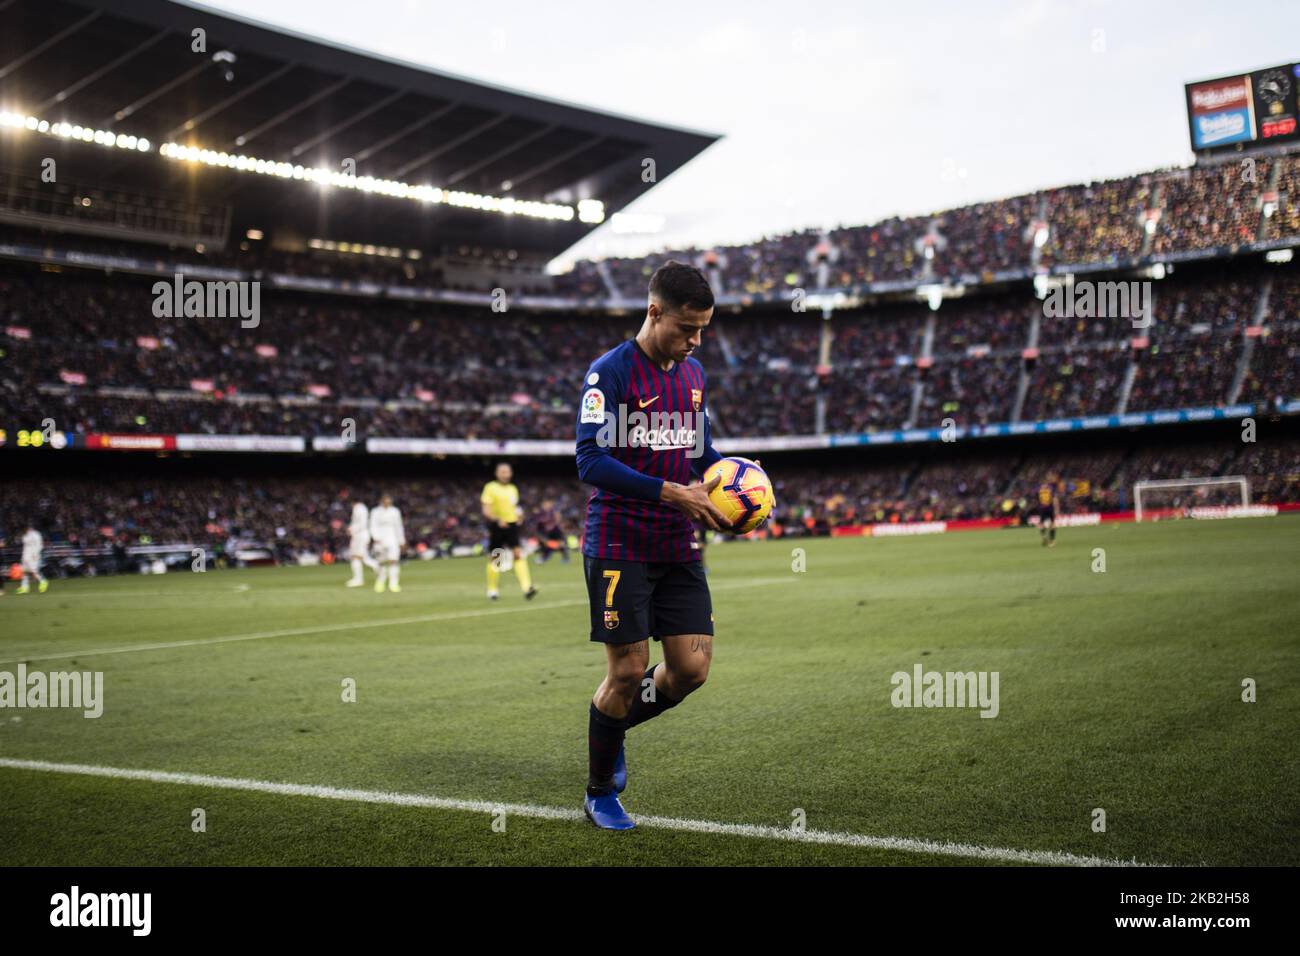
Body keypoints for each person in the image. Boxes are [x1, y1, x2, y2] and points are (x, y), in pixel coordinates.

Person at [574, 260, 731, 830]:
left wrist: (737, 480)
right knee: (628, 671)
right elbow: (590, 460)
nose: (695, 341)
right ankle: (599, 790)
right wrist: (670, 492)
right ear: (654, 311)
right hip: (619, 543)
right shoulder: (609, 375)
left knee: (691, 669)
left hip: (678, 544)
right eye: (687, 328)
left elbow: (699, 451)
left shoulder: (694, 376)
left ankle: (609, 723)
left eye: (703, 330)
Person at [480, 463, 537, 600]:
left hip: (512, 525)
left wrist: (519, 515)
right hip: (497, 525)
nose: (505, 474)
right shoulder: (490, 487)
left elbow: (515, 507)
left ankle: (527, 588)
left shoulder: (513, 489)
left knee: (517, 554)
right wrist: (497, 519)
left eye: (507, 472)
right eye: (502, 472)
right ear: (497, 473)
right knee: (497, 557)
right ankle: (492, 590)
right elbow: (486, 510)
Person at [369, 494, 405, 593]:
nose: (387, 502)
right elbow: (372, 525)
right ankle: (380, 581)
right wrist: (375, 537)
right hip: (380, 539)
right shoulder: (375, 511)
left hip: (393, 538)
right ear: (382, 501)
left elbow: (399, 526)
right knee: (381, 562)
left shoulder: (395, 511)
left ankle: (394, 583)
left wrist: (401, 540)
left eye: (389, 500)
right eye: (386, 500)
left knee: (393, 560)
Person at [345, 499, 380, 587]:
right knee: (362, 557)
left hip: (360, 536)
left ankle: (358, 579)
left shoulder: (359, 508)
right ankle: (376, 567)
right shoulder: (361, 508)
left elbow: (361, 524)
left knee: (356, 557)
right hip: (360, 536)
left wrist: (351, 529)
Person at [18, 525, 48, 594]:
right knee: (24, 571)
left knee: (34, 570)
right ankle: (24, 587)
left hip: (33, 556)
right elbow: (25, 546)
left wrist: (36, 554)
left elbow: (40, 545)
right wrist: (23, 556)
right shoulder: (24, 535)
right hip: (25, 555)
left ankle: (43, 581)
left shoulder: (36, 534)